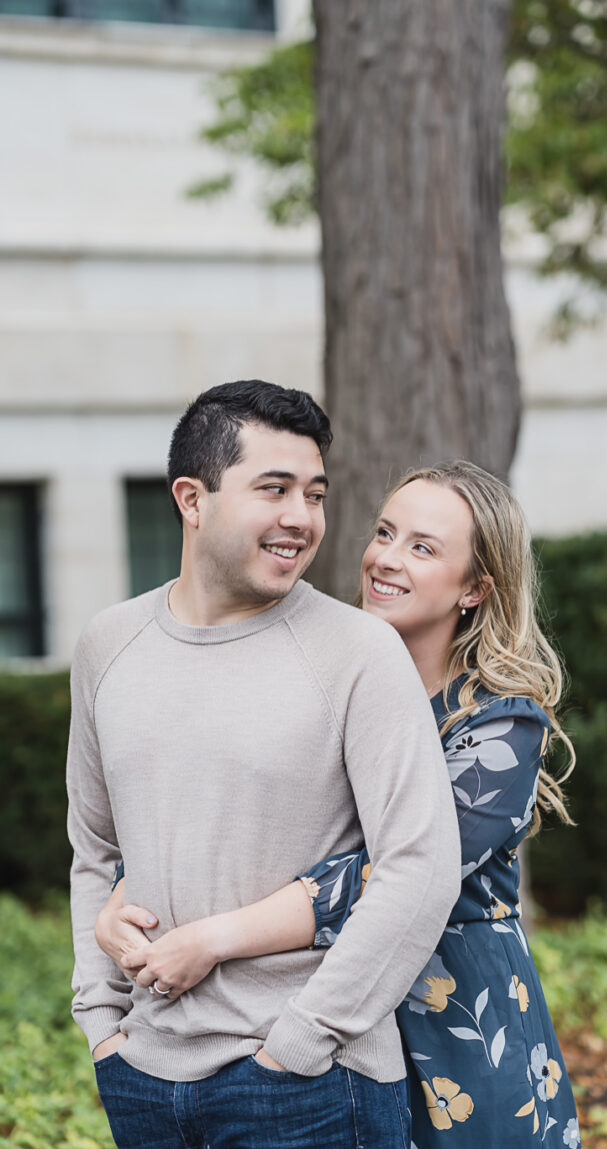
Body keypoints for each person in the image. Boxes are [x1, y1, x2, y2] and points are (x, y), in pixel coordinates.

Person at [97, 460, 581, 1147]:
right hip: (322, 1021)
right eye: (386, 532)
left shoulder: (500, 725)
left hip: (456, 1024)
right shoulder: (318, 678)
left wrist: (207, 937)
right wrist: (131, 897)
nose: (385, 557)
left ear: (476, 587)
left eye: (422, 546)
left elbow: (385, 876)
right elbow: (232, 807)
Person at [66, 380, 462, 1149]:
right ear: (192, 498)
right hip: (143, 1074)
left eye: (313, 493)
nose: (302, 518)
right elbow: (93, 849)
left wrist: (303, 1043)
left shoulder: (357, 651)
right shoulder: (107, 645)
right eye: (273, 489)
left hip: (311, 1087)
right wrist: (102, 1024)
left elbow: (422, 864)